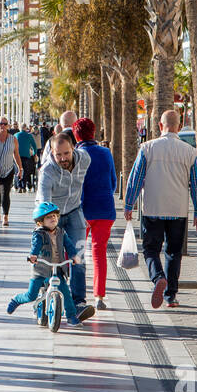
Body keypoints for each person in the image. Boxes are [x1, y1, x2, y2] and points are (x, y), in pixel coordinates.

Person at [124, 109, 197, 309]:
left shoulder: (147, 148)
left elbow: (135, 179)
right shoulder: (189, 152)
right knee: (174, 252)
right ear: (178, 127)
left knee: (151, 250)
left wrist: (129, 205)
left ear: (160, 126)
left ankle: (158, 277)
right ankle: (171, 296)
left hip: (152, 208)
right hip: (178, 210)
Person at [5, 202, 94, 327]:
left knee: (66, 294)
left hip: (57, 270)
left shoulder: (61, 232)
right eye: (48, 217)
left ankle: (71, 316)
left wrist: (74, 256)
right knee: (31, 295)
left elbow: (69, 245)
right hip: (40, 271)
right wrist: (33, 256)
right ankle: (17, 299)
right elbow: (35, 246)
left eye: (54, 216)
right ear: (40, 222)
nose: (53, 219)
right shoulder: (38, 234)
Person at [37, 132, 91, 310]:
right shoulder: (47, 171)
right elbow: (45, 202)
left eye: (66, 153)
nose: (62, 158)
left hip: (75, 211)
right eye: (58, 154)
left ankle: (79, 302)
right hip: (52, 214)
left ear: (73, 149)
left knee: (79, 256)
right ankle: (46, 292)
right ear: (51, 152)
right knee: (52, 258)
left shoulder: (85, 159)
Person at [74, 117, 117, 311]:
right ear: (94, 132)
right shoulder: (106, 153)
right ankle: (99, 296)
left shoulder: (77, 155)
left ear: (76, 135)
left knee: (78, 253)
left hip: (82, 211)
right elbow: (113, 182)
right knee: (99, 253)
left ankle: (78, 295)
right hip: (105, 210)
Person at [15, 122, 39, 192]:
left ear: (20, 128)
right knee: (25, 171)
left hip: (17, 156)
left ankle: (19, 186)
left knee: (18, 170)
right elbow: (34, 146)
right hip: (26, 155)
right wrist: (34, 154)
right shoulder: (29, 136)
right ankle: (24, 186)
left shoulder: (16, 135)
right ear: (25, 128)